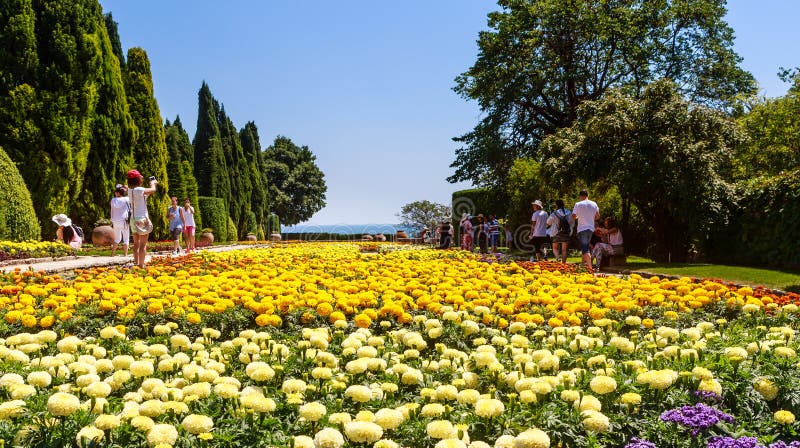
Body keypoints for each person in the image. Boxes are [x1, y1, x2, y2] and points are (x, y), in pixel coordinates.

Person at [128, 169, 158, 268]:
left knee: (136, 243)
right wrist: (153, 183)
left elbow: (143, 196)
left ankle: (136, 263)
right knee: (143, 244)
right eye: (140, 176)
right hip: (141, 218)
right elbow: (153, 190)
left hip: (132, 218)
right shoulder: (139, 189)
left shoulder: (130, 191)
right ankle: (141, 265)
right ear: (137, 179)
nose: (142, 177)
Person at [572, 189, 600, 273]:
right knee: (585, 246)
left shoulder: (578, 204)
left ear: (581, 196)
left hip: (582, 229)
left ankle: (590, 268)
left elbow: (573, 216)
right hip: (591, 229)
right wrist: (591, 218)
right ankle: (582, 266)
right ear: (588, 195)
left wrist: (578, 217)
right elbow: (598, 216)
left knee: (585, 249)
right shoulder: (594, 203)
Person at [547, 199, 574, 263]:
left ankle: (558, 258)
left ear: (556, 205)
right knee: (564, 249)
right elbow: (572, 222)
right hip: (566, 232)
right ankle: (564, 263)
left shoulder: (554, 213)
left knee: (555, 248)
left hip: (556, 233)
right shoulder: (569, 212)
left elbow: (548, 222)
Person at [110, 184, 131, 256]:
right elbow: (131, 195)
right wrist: (127, 188)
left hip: (115, 221)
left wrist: (111, 221)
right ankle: (125, 254)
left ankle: (112, 254)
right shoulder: (126, 199)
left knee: (117, 238)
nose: (115, 193)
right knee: (126, 238)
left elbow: (112, 211)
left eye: (116, 192)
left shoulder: (113, 200)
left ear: (118, 193)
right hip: (124, 221)